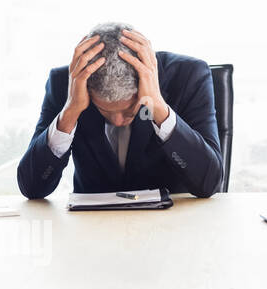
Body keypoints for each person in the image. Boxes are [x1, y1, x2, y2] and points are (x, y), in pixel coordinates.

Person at [16, 23, 222, 198]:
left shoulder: (189, 76)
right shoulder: (65, 83)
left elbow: (209, 184)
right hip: (91, 231)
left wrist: (158, 107)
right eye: (104, 110)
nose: (117, 120)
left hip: (172, 228)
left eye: (129, 109)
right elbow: (32, 188)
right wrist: (70, 112)